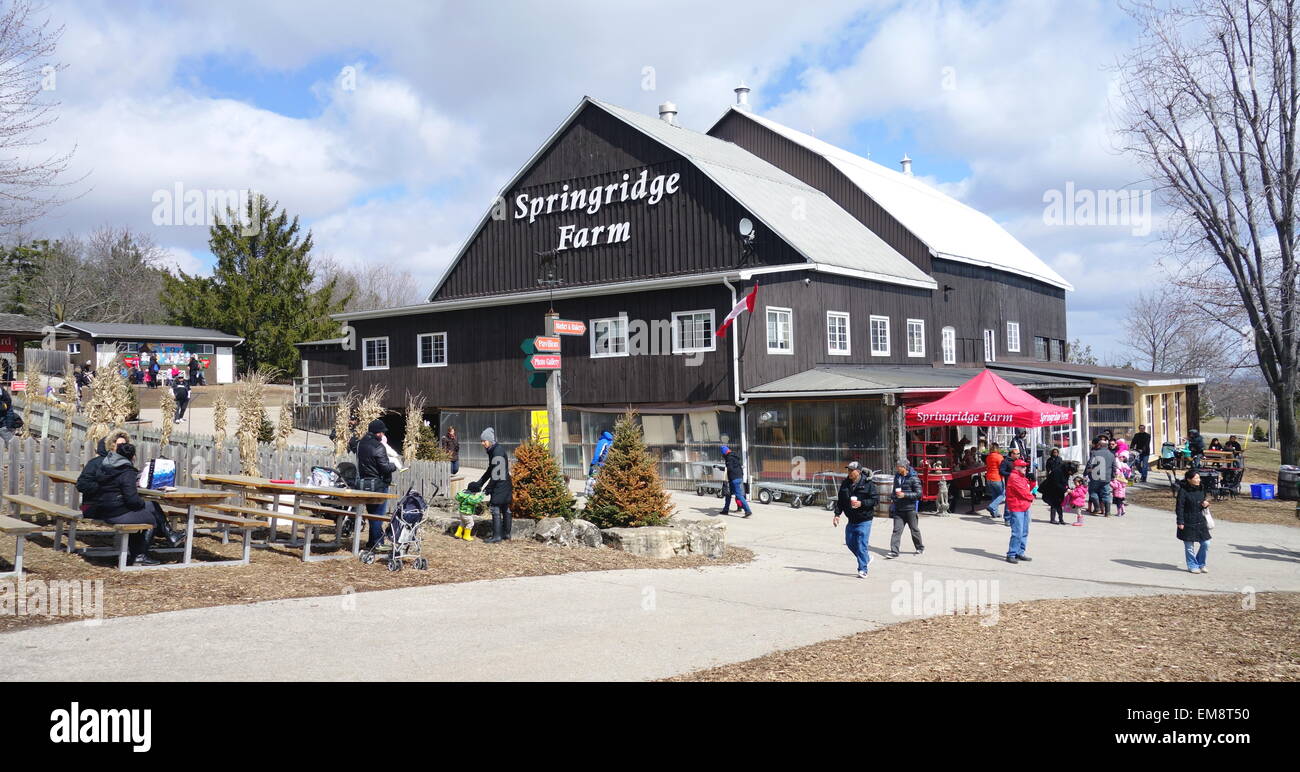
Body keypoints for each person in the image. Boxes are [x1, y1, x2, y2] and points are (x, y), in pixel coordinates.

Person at [88, 442, 185, 565]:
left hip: (103, 509)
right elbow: (132, 501)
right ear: (133, 457)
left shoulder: (106, 466)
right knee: (152, 518)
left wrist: (142, 503)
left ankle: (169, 535)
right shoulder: (126, 471)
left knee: (152, 505)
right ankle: (141, 555)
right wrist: (141, 503)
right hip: (115, 513)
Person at [356, 419, 398, 550]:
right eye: (382, 432)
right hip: (378, 484)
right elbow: (385, 468)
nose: (383, 435)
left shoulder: (360, 444)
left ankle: (371, 541)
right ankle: (377, 542)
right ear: (378, 433)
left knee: (371, 513)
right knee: (378, 514)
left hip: (364, 482)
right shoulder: (378, 447)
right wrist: (394, 465)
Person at [832, 461, 878, 578]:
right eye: (848, 470)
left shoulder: (868, 484)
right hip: (851, 519)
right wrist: (837, 514)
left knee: (861, 544)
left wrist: (861, 503)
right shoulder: (845, 484)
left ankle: (863, 569)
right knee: (850, 543)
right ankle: (866, 558)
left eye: (851, 470)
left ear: (858, 472)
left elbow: (875, 500)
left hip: (865, 519)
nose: (849, 472)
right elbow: (840, 501)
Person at [476, 427, 513, 542]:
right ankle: (506, 534)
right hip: (505, 483)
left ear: (490, 440)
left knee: (495, 508)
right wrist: (480, 482)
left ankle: (497, 536)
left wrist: (488, 489)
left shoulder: (497, 452)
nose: (482, 443)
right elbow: (491, 469)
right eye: (482, 441)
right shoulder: (495, 450)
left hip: (500, 485)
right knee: (506, 508)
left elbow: (496, 474)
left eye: (484, 441)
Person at [76, 431, 131, 507]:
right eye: (119, 445)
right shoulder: (95, 463)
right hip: (94, 506)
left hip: (115, 504)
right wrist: (105, 487)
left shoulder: (125, 463)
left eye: (125, 444)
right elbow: (82, 485)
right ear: (111, 445)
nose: (122, 447)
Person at [1175, 469, 1212, 573]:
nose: (1198, 480)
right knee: (1189, 547)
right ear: (1189, 480)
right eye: (1196, 478)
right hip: (1187, 521)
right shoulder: (1183, 491)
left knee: (1206, 543)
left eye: (1198, 477)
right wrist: (1180, 521)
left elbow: (1203, 501)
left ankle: (1201, 563)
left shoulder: (1201, 488)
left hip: (1200, 520)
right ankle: (1192, 565)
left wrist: (1206, 504)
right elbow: (1179, 507)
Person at [887, 461, 923, 558]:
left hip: (910, 509)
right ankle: (894, 551)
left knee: (914, 530)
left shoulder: (914, 478)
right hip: (898, 509)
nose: (897, 468)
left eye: (899, 466)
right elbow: (894, 490)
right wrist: (893, 498)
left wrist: (905, 495)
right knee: (896, 531)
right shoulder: (897, 477)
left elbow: (919, 494)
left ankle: (919, 547)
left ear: (904, 467)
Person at [1004, 458, 1035, 564]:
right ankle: (1011, 554)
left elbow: (1028, 488)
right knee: (1017, 532)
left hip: (1024, 506)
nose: (1025, 468)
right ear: (1016, 467)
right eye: (1022, 466)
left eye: (1025, 466)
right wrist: (1031, 497)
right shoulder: (1014, 477)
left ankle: (1020, 552)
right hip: (1017, 507)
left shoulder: (1021, 477)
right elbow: (1022, 491)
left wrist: (1033, 481)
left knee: (1024, 531)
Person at [1085, 438, 1117, 516]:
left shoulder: (1094, 453)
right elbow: (1114, 467)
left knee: (1093, 491)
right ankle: (1107, 512)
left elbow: (1090, 464)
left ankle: (1097, 508)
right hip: (1106, 477)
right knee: (1106, 494)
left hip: (1095, 476)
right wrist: (1113, 477)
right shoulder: (1111, 455)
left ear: (1099, 445)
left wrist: (1086, 473)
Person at [718, 444, 752, 518]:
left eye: (723, 453)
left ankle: (748, 510)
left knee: (738, 495)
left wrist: (721, 468)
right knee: (728, 495)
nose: (723, 455)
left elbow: (729, 468)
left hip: (734, 479)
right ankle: (726, 510)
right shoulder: (735, 457)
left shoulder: (729, 458)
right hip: (738, 477)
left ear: (724, 452)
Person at [1041, 447, 1068, 524]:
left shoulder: (1060, 459)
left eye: (1056, 452)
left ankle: (1061, 519)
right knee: (1054, 503)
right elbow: (1047, 469)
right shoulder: (1049, 460)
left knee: (1059, 504)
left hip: (1059, 479)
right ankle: (1052, 519)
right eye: (1054, 452)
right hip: (1052, 480)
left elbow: (1062, 468)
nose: (1055, 453)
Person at [584, 429, 614, 497]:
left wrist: (593, 462)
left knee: (592, 478)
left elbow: (598, 453)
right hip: (609, 464)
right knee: (604, 480)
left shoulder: (603, 441)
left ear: (601, 434)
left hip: (600, 463)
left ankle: (590, 495)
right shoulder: (612, 441)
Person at [983, 442, 1005, 520]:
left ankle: (995, 513)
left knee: (994, 495)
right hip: (997, 478)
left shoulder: (988, 457)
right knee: (1002, 495)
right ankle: (992, 506)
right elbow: (1001, 467)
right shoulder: (999, 457)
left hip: (989, 477)